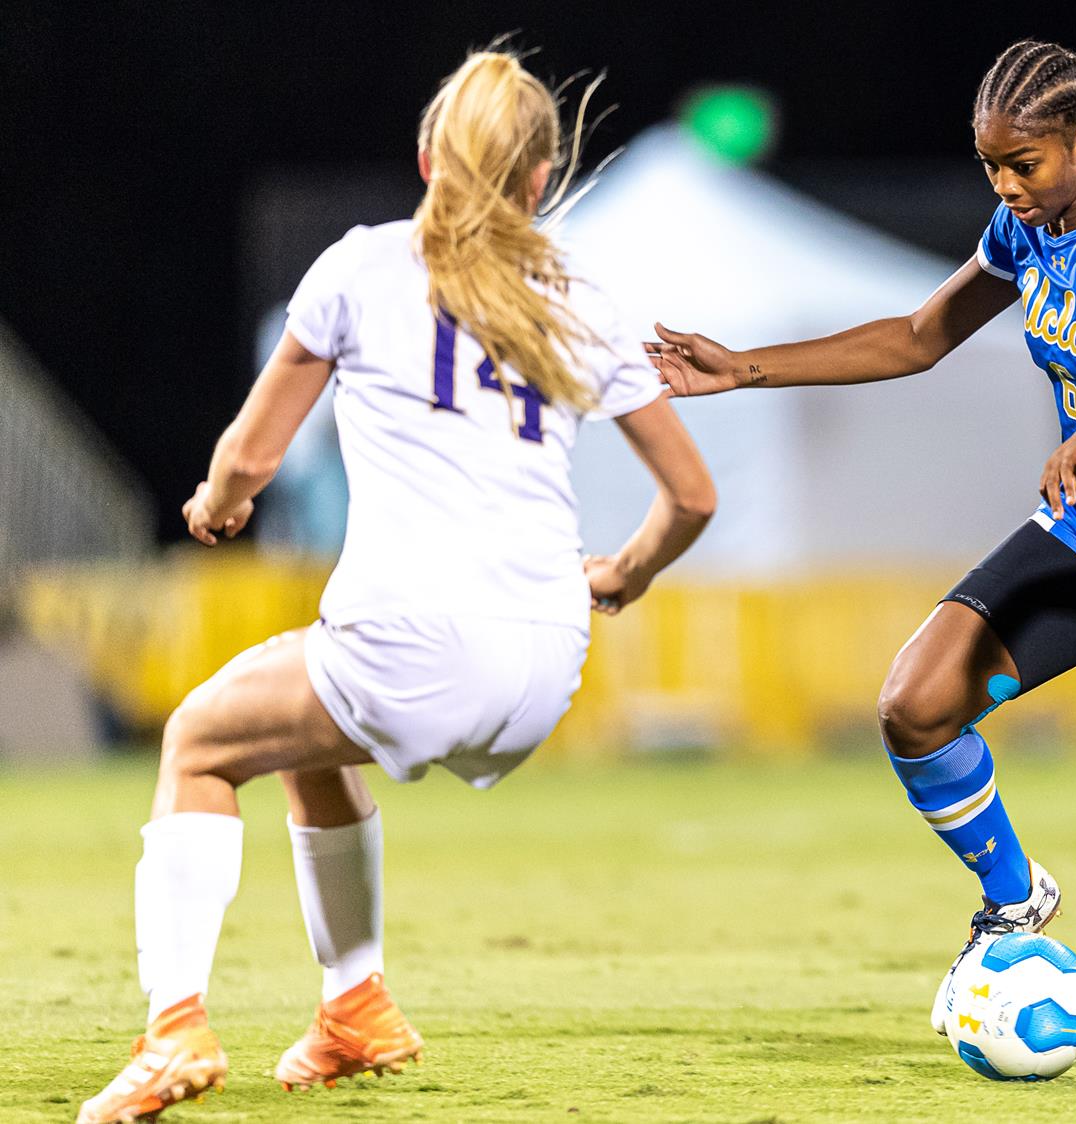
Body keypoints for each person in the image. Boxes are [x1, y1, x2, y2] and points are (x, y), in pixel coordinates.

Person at [650, 39, 1076, 1077]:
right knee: (916, 701)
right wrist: (746, 369)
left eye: (1021, 163)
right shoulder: (1024, 227)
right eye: (990, 166)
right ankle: (1014, 898)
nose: (1005, 186)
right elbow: (915, 336)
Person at [77, 50, 715, 1124]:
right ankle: (355, 1004)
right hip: (548, 656)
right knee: (304, 744)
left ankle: (173, 1026)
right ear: (539, 181)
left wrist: (217, 505)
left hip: (415, 637)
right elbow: (691, 497)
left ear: (428, 158)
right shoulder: (579, 290)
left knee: (196, 740)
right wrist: (622, 572)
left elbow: (249, 452)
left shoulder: (364, 267)